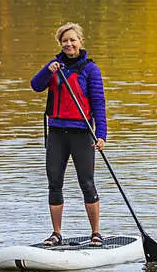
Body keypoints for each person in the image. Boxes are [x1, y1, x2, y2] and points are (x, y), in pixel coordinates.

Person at [30, 22, 107, 247]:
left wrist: (101, 134)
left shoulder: (90, 69)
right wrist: (48, 70)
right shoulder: (54, 67)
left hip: (82, 133)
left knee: (87, 182)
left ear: (80, 42)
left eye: (73, 40)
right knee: (54, 182)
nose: (69, 44)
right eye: (65, 41)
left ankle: (95, 233)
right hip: (56, 133)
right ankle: (56, 234)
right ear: (60, 44)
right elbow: (35, 85)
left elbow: (99, 103)